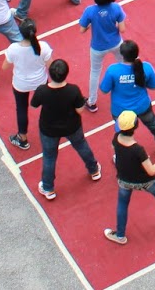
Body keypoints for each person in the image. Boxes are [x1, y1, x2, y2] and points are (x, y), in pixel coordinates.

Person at [103, 109, 155, 245]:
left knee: (122, 204)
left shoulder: (116, 139)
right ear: (136, 126)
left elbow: (117, 152)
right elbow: (151, 171)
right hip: (146, 182)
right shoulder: (138, 150)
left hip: (124, 180)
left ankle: (120, 235)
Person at [31, 58, 103, 201]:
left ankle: (48, 187)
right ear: (66, 73)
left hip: (49, 129)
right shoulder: (73, 90)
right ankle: (94, 170)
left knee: (49, 157)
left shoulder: (42, 90)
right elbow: (80, 110)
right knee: (82, 146)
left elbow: (34, 104)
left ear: (50, 74)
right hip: (72, 126)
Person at [100, 40, 155, 150]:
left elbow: (104, 90)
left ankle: (122, 155)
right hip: (142, 106)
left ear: (122, 54)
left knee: (122, 134)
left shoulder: (112, 70)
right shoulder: (146, 67)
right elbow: (154, 86)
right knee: (154, 125)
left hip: (121, 111)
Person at [5, 17, 53, 151]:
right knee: (47, 105)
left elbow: (4, 66)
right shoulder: (43, 46)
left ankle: (22, 138)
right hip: (40, 82)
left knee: (21, 108)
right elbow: (51, 66)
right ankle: (51, 128)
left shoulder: (13, 49)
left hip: (21, 84)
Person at [78, 0, 128, 109]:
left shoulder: (90, 11)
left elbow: (82, 30)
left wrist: (91, 24)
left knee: (95, 72)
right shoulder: (116, 8)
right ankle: (126, 91)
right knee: (124, 65)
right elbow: (122, 29)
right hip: (116, 43)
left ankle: (92, 102)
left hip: (98, 47)